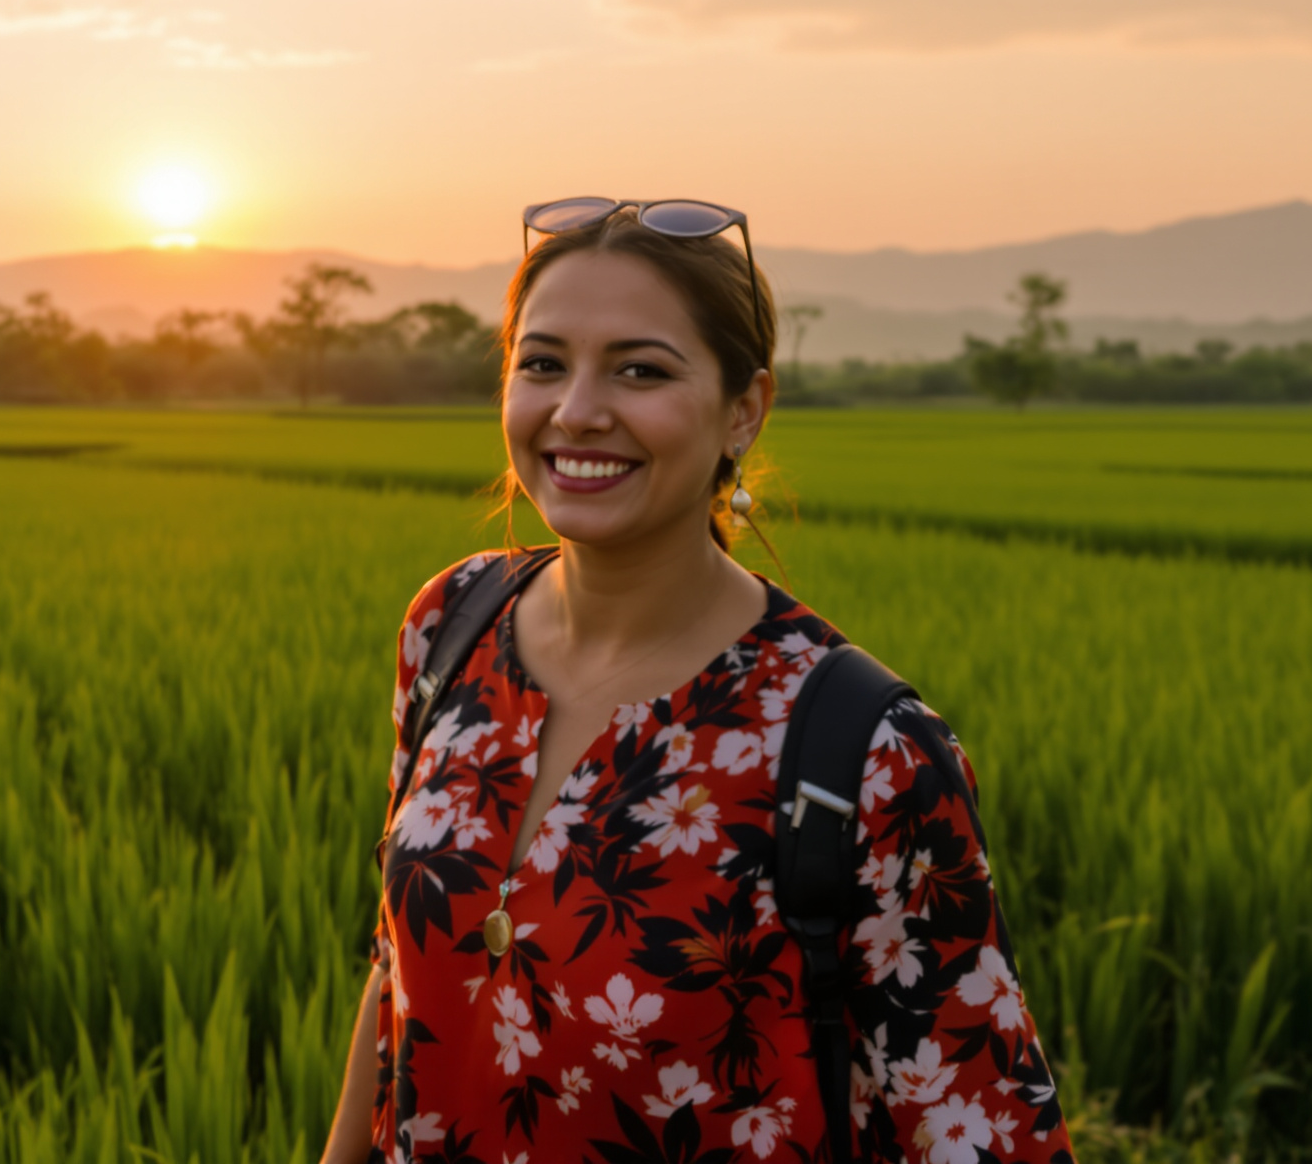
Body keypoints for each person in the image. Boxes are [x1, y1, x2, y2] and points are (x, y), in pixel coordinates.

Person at [320, 200, 1072, 1164]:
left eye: (641, 370)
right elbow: (398, 980)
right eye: (543, 363)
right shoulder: (450, 627)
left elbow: (980, 1124)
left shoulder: (862, 751)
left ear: (744, 410)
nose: (577, 409)